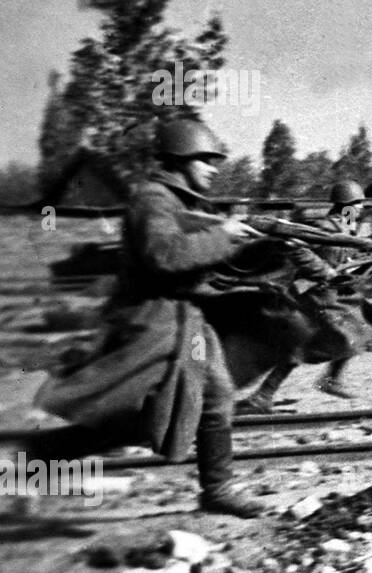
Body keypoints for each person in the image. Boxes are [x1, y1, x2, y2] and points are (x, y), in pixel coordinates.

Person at [29, 119, 264, 517]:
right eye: (206, 160)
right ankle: (34, 458)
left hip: (183, 321)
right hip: (150, 324)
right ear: (182, 157)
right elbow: (165, 255)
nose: (214, 168)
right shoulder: (152, 199)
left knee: (217, 396)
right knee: (133, 418)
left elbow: (189, 261)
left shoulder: (177, 202)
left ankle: (217, 488)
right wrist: (223, 235)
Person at [236, 179, 368, 413]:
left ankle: (324, 381)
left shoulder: (348, 227)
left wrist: (364, 263)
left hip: (335, 294)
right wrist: (323, 269)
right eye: (357, 204)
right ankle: (265, 396)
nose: (361, 208)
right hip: (314, 294)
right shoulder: (323, 227)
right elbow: (297, 249)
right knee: (309, 341)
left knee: (355, 328)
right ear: (346, 205)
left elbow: (349, 253)